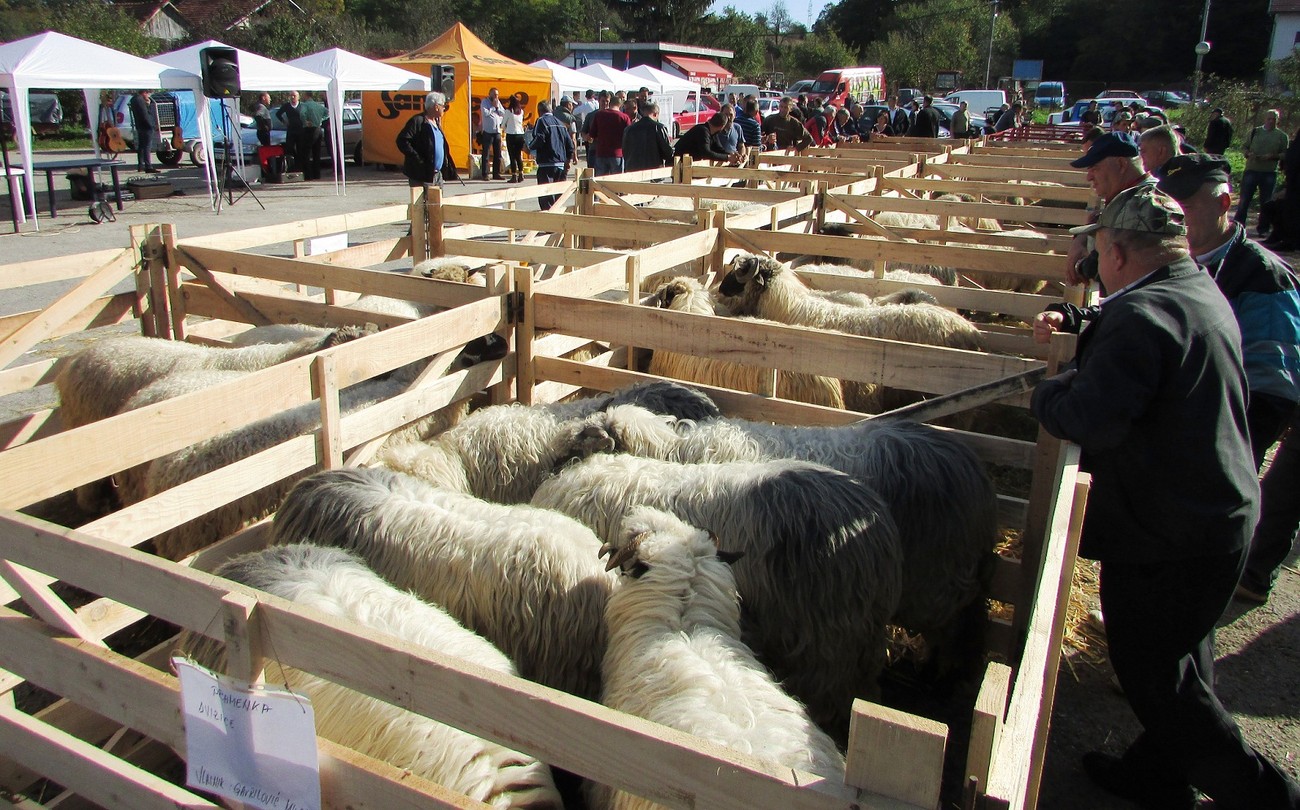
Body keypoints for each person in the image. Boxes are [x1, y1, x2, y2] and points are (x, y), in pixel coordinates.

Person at [1031, 183, 1300, 810]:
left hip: (1168, 531)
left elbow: (1091, 416)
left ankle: (1268, 796)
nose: (1096, 263)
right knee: (1184, 659)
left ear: (1121, 252)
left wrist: (1047, 394)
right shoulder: (1194, 288)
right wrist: (1080, 323)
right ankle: (1156, 774)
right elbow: (1139, 339)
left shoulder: (1143, 316)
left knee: (1159, 679)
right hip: (1215, 514)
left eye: (1099, 250)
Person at [1156, 153, 1300, 468]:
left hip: (1212, 457)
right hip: (1166, 442)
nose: (1176, 218)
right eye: (1168, 207)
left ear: (1224, 203)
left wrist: (1217, 453)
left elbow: (1273, 393)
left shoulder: (1264, 278)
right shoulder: (1172, 259)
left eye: (1188, 207)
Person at [1065, 132, 1152, 286]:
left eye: (1095, 168)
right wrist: (1082, 236)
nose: (1089, 177)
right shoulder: (1127, 198)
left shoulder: (1144, 204)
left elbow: (1120, 268)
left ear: (1121, 164)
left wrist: (1081, 267)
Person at [1236, 109, 1289, 232]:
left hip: (1269, 172)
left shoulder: (1282, 136)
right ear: (1265, 118)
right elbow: (1244, 147)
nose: (1271, 121)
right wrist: (1248, 153)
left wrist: (1273, 156)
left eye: (1274, 119)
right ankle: (1238, 226)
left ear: (1278, 120)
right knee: (1244, 200)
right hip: (1252, 169)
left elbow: (1285, 154)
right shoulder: (1255, 132)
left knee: (1266, 202)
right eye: (1269, 118)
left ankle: (1263, 228)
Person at [395, 91, 446, 188]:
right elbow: (402, 140)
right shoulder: (418, 121)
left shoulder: (437, 122)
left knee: (436, 202)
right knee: (423, 203)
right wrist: (417, 158)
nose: (444, 108)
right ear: (436, 106)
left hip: (437, 175)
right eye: (443, 106)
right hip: (422, 174)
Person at [530, 101, 572, 210]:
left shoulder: (541, 121)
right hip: (560, 164)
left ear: (539, 112)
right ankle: (558, 217)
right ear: (551, 110)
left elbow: (539, 138)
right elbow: (570, 144)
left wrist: (530, 147)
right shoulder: (560, 123)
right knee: (558, 197)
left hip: (546, 164)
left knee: (546, 195)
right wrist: (568, 160)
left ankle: (549, 221)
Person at [586, 91, 631, 176]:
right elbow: (629, 137)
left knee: (601, 182)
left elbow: (592, 134)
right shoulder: (624, 117)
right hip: (617, 153)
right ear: (620, 105)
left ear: (610, 103)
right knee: (616, 182)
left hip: (601, 153)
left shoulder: (599, 115)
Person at [621, 101, 673, 172]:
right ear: (656, 114)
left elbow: (625, 150)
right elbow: (667, 152)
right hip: (654, 170)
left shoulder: (629, 129)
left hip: (633, 170)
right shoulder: (659, 127)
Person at [673, 113, 740, 164]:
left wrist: (732, 155)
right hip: (679, 164)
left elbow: (719, 149)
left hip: (688, 164)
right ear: (722, 127)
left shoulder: (713, 133)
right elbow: (706, 153)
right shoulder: (702, 131)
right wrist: (727, 158)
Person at [297, 91, 326, 181]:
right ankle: (317, 174)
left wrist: (305, 121)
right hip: (318, 129)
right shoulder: (318, 106)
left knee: (306, 153)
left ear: (306, 95)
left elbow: (302, 113)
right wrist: (321, 119)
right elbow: (327, 112)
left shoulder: (305, 105)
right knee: (316, 153)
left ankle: (308, 175)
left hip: (309, 129)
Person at [478, 87, 505, 180]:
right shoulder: (484, 102)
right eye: (494, 94)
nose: (496, 96)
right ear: (490, 94)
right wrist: (493, 107)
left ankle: (496, 173)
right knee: (486, 153)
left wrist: (497, 107)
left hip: (497, 131)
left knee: (497, 153)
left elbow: (503, 113)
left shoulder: (498, 102)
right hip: (488, 131)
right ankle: (485, 174)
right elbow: (485, 113)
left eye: (497, 94)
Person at [128, 89, 159, 173]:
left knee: (141, 146)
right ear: (144, 92)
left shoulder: (134, 99)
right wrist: (151, 125)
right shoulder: (140, 100)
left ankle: (141, 165)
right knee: (147, 146)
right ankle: (148, 166)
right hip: (146, 126)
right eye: (147, 94)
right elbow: (145, 114)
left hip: (140, 125)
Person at [275, 91, 304, 172]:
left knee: (300, 149)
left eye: (294, 96)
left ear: (298, 97)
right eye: (291, 96)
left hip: (300, 130)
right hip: (291, 130)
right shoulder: (287, 106)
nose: (292, 97)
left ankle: (300, 168)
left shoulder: (302, 106)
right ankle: (290, 167)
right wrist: (284, 122)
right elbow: (278, 114)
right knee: (289, 149)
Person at [503, 95, 527, 183]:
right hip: (520, 134)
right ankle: (521, 174)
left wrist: (505, 127)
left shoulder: (508, 111)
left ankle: (514, 175)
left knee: (512, 156)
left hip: (511, 134)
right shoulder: (521, 112)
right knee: (518, 155)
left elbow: (503, 123)